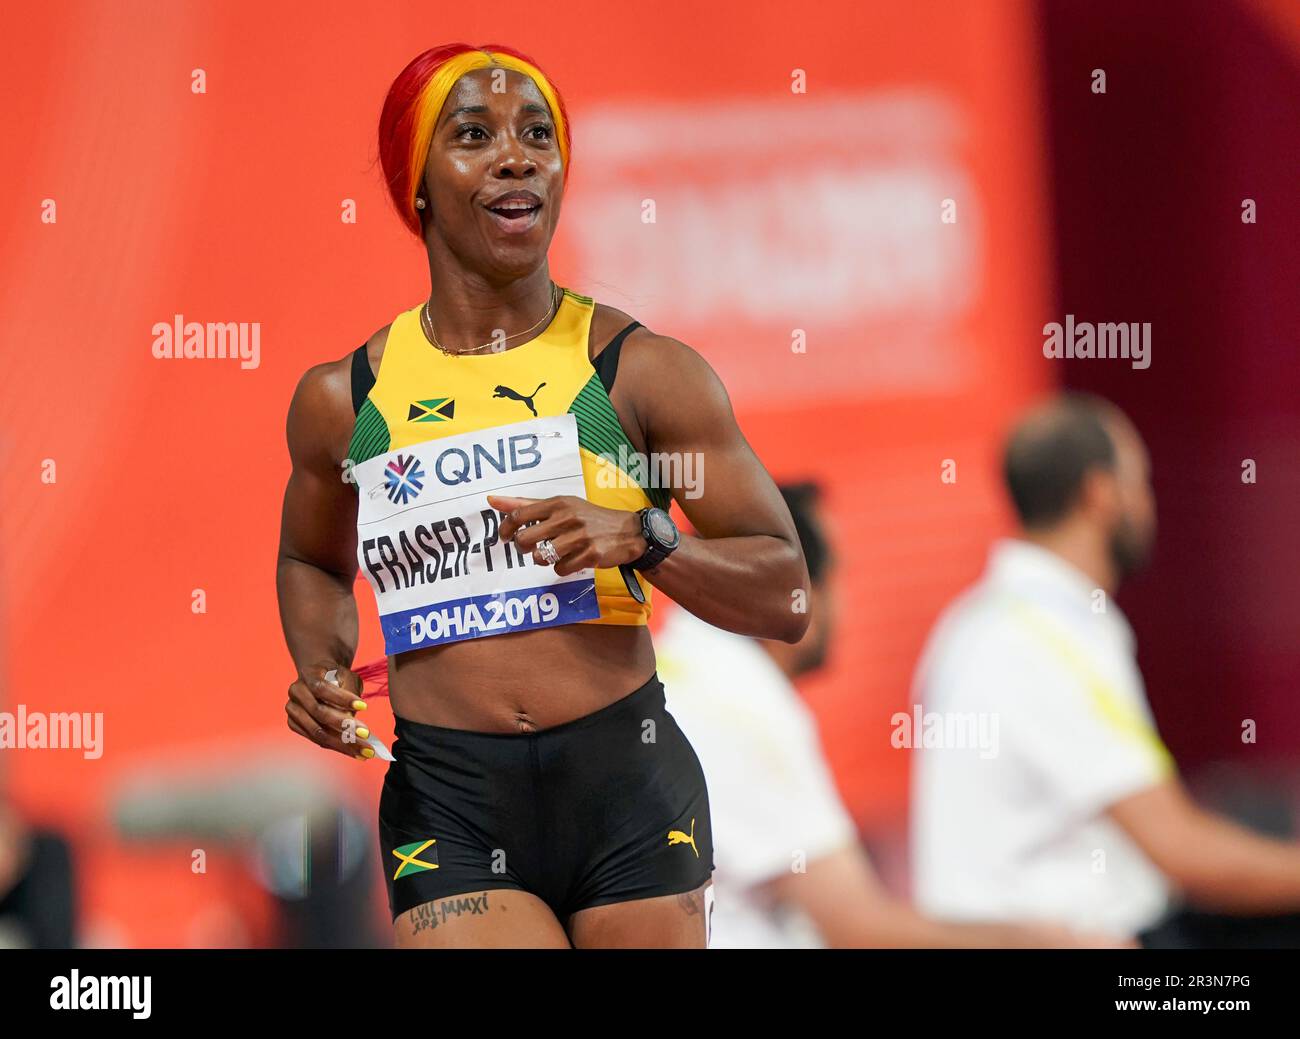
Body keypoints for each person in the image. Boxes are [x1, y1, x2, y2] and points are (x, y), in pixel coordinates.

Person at [275, 43, 810, 949]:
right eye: (474, 136)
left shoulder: (641, 374)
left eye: (538, 135)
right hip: (450, 796)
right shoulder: (345, 399)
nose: (516, 156)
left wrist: (647, 536)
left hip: (627, 783)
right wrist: (325, 666)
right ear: (417, 181)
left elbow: (787, 593)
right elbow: (310, 559)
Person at [659, 482, 1121, 948]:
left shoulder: (678, 666)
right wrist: (1042, 943)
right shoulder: (740, 705)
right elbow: (859, 928)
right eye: (837, 577)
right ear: (793, 593)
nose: (845, 603)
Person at [910, 392, 1300, 942]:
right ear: (1100, 494)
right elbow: (1182, 852)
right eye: (1140, 483)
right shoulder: (1053, 638)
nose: (1149, 504)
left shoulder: (971, 622)